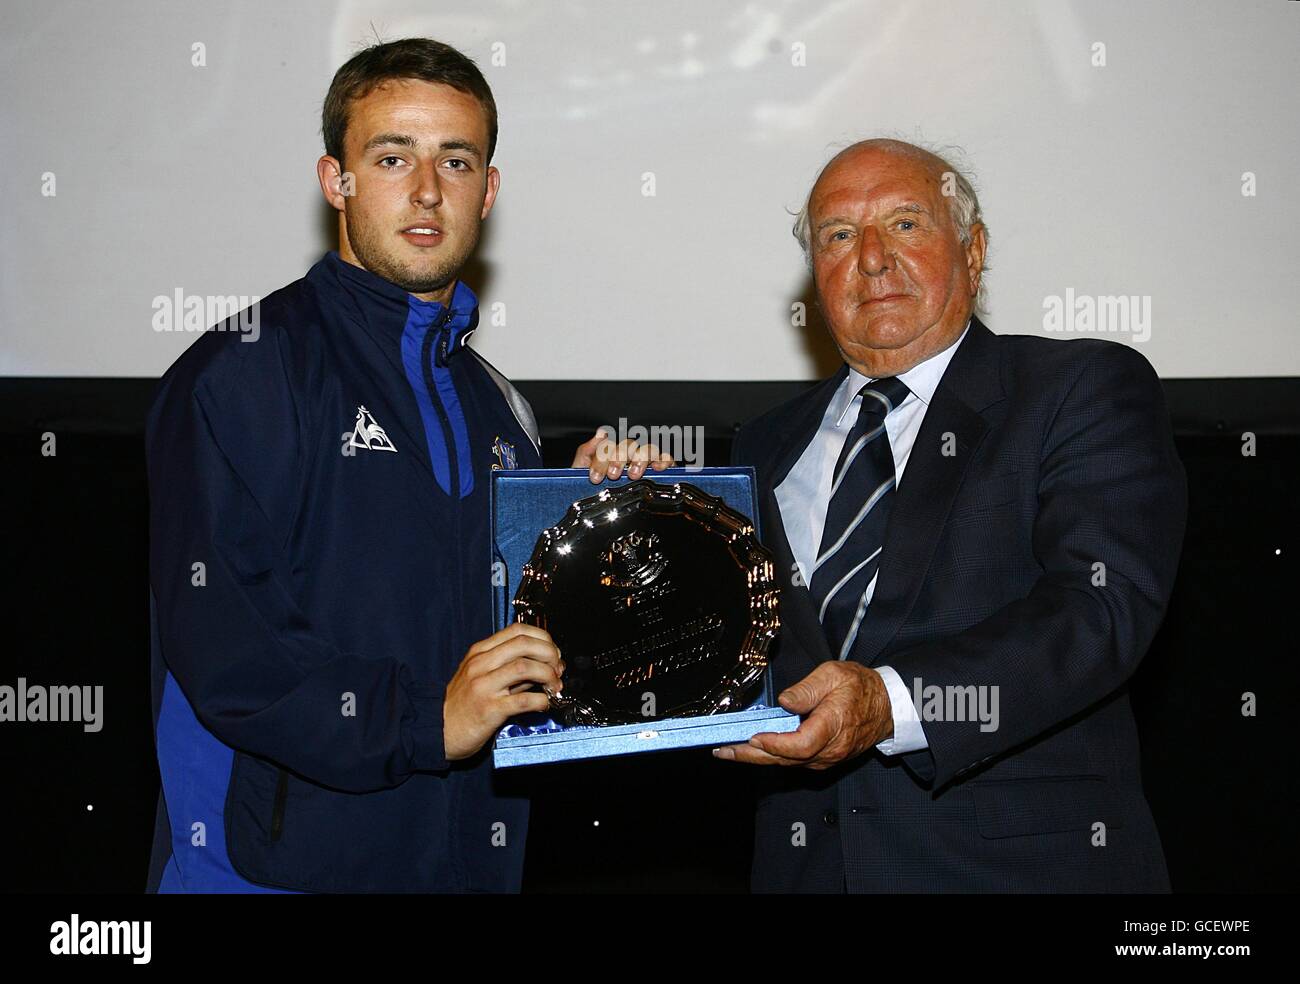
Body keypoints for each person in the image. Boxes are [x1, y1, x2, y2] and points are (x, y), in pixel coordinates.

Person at [144, 37, 667, 893]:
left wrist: (587, 521)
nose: (427, 190)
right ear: (335, 181)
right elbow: (234, 656)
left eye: (455, 161)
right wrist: (429, 720)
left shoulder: (501, 403)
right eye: (392, 157)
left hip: (468, 864)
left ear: (488, 190)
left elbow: (516, 640)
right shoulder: (238, 374)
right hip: (270, 874)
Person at [718, 138, 1186, 892]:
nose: (871, 259)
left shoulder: (1078, 389)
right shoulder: (764, 443)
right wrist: (626, 514)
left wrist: (890, 704)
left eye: (905, 224)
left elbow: (1099, 611)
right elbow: (734, 647)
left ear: (973, 251)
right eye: (839, 235)